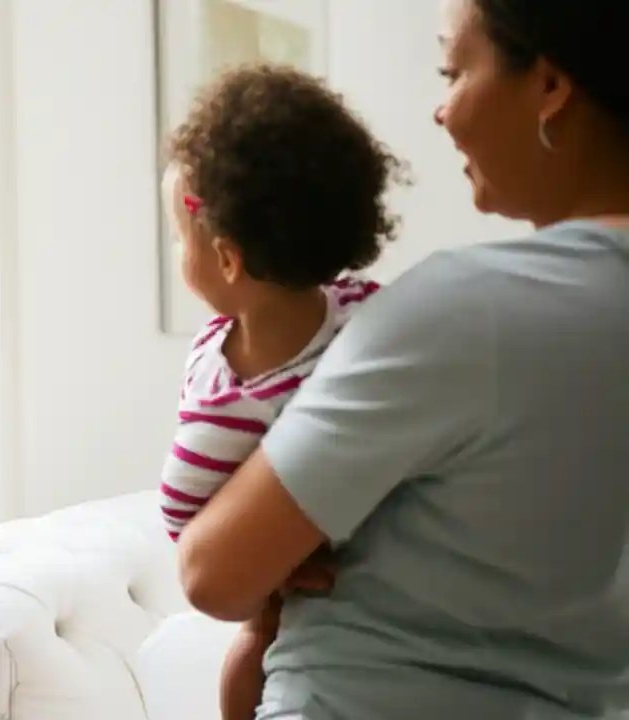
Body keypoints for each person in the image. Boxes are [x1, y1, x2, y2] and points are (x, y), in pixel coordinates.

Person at [175, 0, 629, 717]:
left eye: (454, 70)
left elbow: (212, 575)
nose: (441, 111)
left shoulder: (465, 308)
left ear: (548, 86)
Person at [156, 65, 400, 719]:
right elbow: (195, 534)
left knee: (258, 643)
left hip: (344, 584)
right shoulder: (366, 314)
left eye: (182, 239)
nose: (180, 254)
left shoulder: (222, 404)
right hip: (296, 569)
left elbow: (179, 507)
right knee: (259, 635)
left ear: (228, 260)